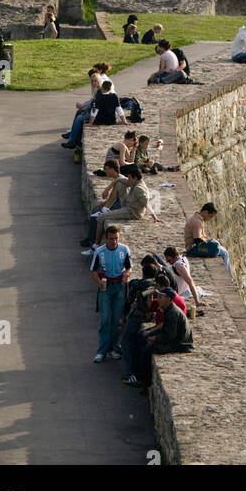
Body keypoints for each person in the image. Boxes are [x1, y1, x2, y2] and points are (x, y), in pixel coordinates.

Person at [129, 292, 194, 385]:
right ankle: (135, 374)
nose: (158, 299)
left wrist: (155, 338)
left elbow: (169, 336)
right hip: (176, 339)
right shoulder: (169, 309)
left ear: (169, 299)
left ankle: (143, 380)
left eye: (160, 297)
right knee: (141, 339)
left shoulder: (172, 313)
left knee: (147, 351)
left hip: (181, 344)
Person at [89, 224, 132, 363]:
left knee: (116, 320)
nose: (114, 241)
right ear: (106, 239)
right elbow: (93, 270)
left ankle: (112, 348)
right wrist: (99, 282)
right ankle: (102, 350)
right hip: (105, 288)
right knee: (104, 319)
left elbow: (129, 267)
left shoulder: (124, 249)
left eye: (116, 238)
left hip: (119, 286)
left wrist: (126, 274)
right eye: (111, 238)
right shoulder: (100, 252)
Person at [94, 164, 158, 243]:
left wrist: (154, 217)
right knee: (119, 183)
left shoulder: (139, 189)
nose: (128, 180)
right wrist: (108, 188)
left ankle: (95, 245)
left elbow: (146, 203)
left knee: (101, 217)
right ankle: (106, 209)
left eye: (129, 178)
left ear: (135, 178)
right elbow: (119, 179)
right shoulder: (136, 181)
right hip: (129, 203)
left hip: (132, 212)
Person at [184, 202, 231, 274]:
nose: (210, 219)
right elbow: (198, 240)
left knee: (221, 249)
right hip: (193, 248)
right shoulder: (197, 222)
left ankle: (228, 273)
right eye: (210, 216)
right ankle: (228, 274)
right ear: (206, 212)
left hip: (196, 246)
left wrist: (213, 240)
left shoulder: (199, 219)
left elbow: (203, 237)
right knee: (223, 252)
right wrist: (212, 242)